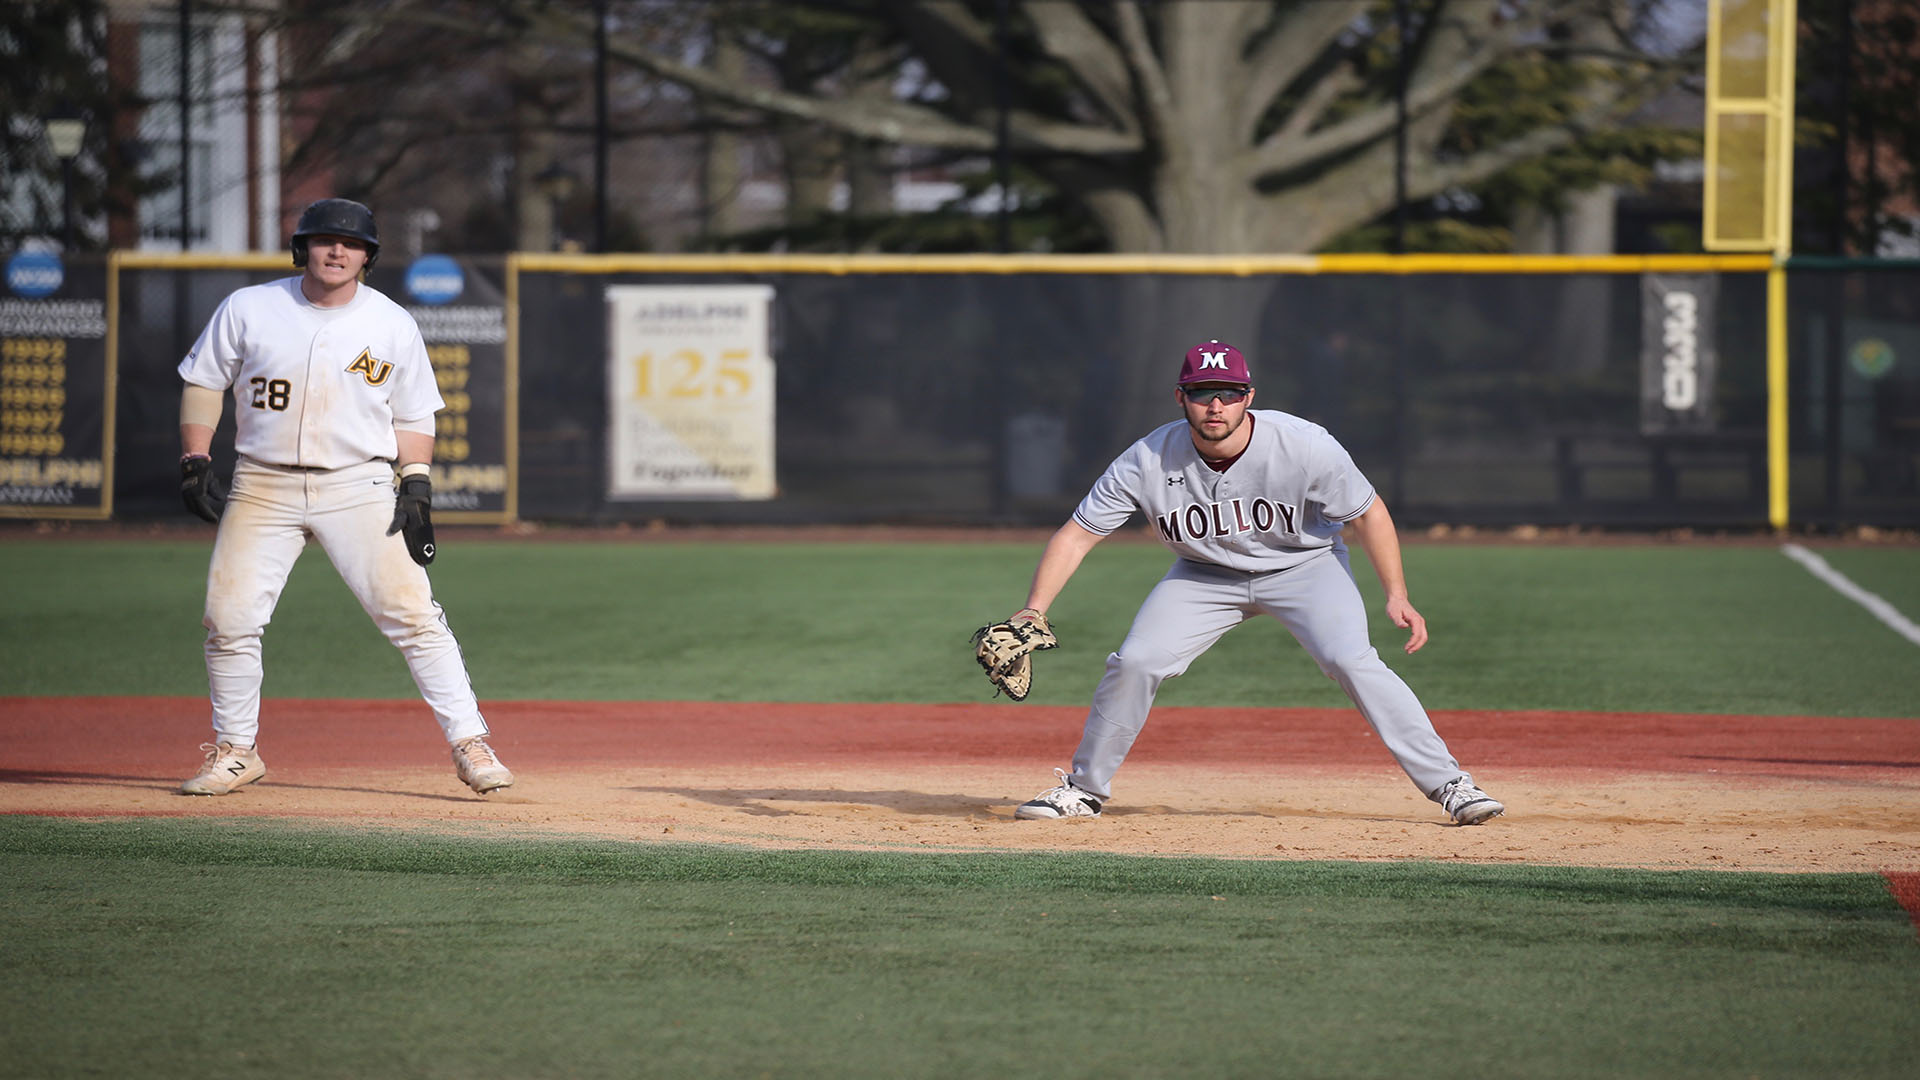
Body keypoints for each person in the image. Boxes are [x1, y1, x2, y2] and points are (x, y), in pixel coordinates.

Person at [1008, 339, 1502, 825]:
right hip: (1203, 577)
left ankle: (1451, 785)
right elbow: (1076, 535)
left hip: (1307, 567)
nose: (1215, 405)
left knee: (1350, 659)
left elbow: (1369, 513)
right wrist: (1034, 608)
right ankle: (1084, 790)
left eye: (1228, 392)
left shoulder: (1305, 445)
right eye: (1202, 392)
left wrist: (1397, 593)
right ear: (1180, 397)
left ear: (1249, 397)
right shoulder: (1147, 459)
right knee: (1136, 662)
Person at [173, 197, 511, 797]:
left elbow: (413, 414)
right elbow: (204, 382)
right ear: (304, 247)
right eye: (325, 240)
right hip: (263, 483)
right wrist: (196, 457)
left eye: (351, 244)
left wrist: (416, 480)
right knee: (228, 620)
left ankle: (470, 744)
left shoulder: (390, 322)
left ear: (367, 256)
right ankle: (236, 749)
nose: (337, 251)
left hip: (357, 483)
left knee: (413, 615)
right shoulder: (250, 307)